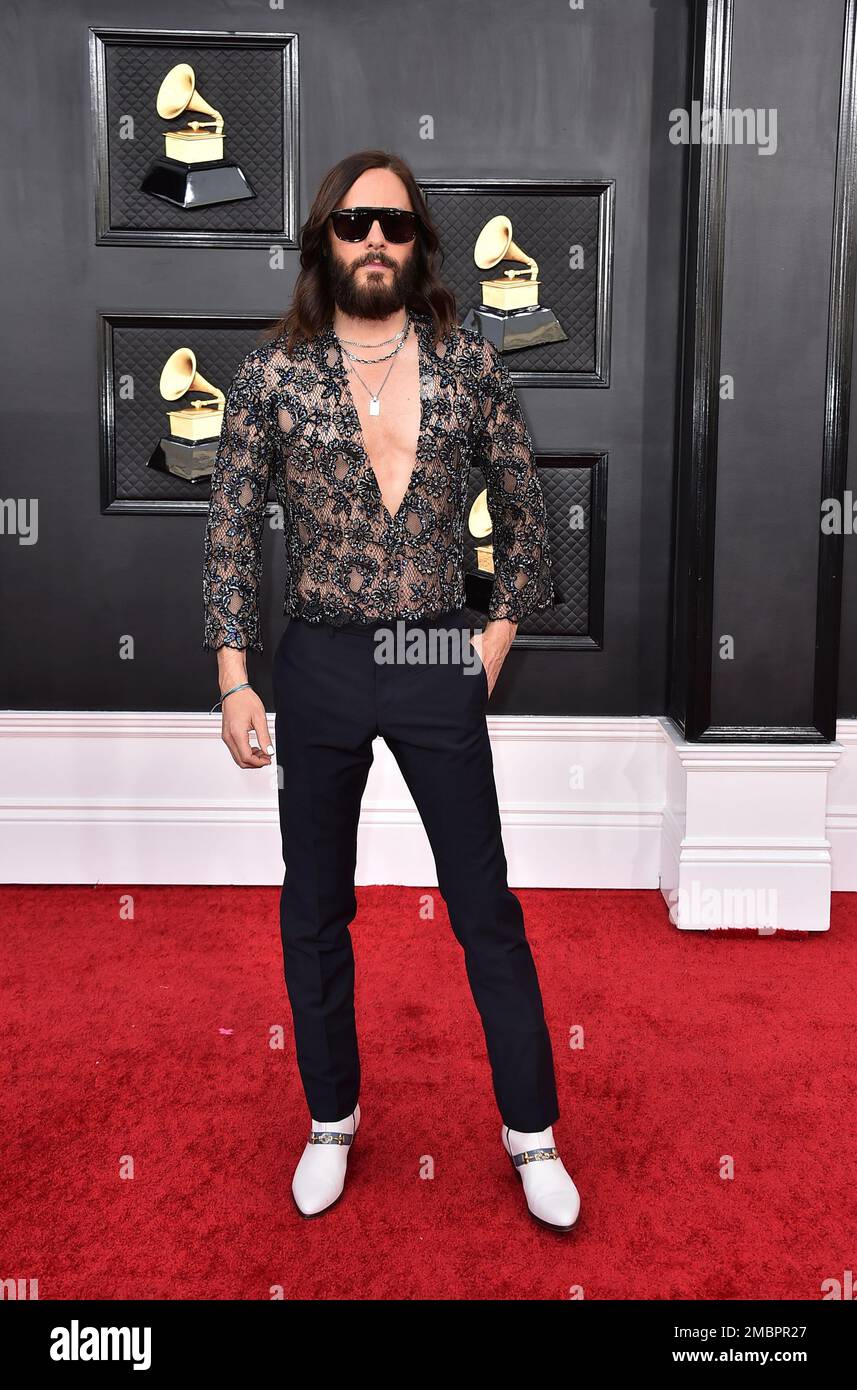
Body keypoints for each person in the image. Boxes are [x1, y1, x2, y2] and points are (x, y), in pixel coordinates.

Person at [202, 149, 580, 1233]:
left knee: (484, 909)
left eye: (396, 225)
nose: (375, 239)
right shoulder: (275, 371)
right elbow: (228, 529)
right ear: (325, 236)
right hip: (316, 660)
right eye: (355, 222)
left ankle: (531, 1134)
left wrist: (490, 644)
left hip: (431, 658)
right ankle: (330, 1119)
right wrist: (235, 676)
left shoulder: (468, 365)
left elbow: (524, 515)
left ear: (419, 246)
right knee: (314, 909)